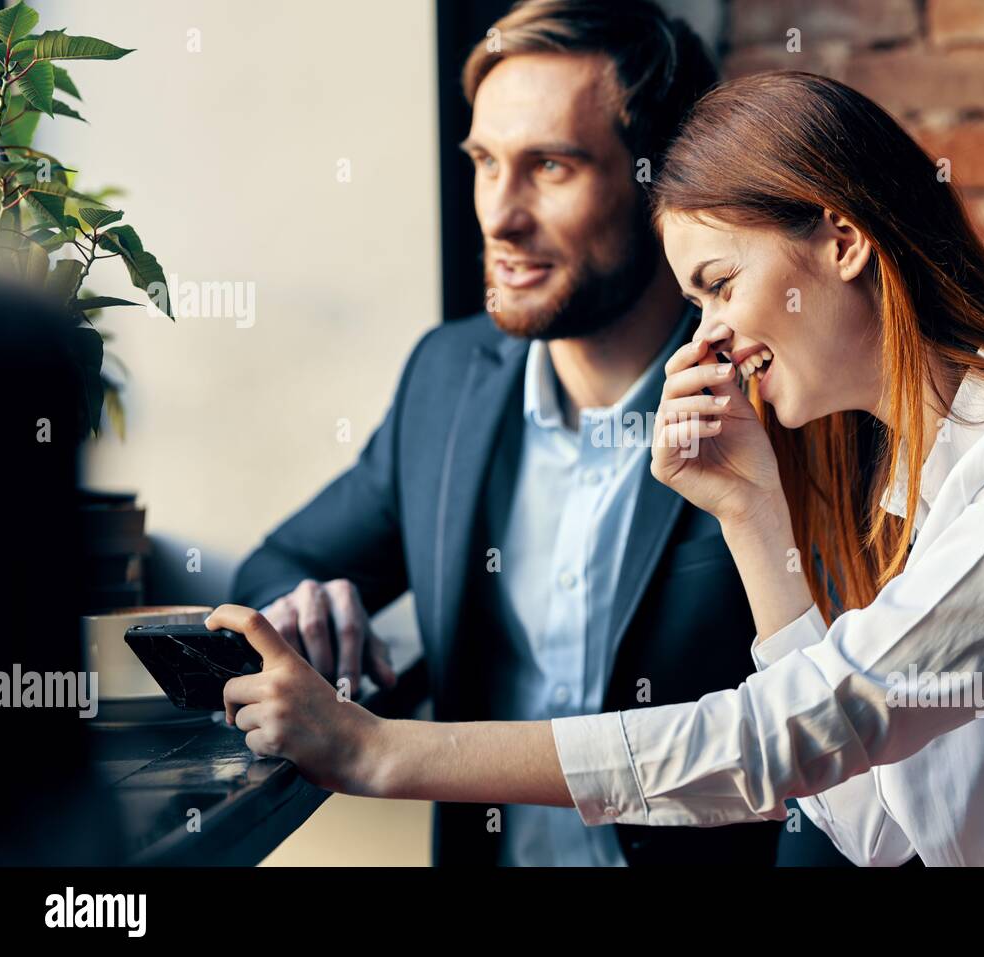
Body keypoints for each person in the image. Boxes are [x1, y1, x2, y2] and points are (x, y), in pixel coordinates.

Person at [212, 70, 984, 866]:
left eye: (721, 284)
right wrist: (748, 510)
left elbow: (804, 731)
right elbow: (863, 819)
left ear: (844, 242)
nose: (712, 337)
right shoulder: (914, 475)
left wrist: (381, 753)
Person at [227, 0, 824, 867]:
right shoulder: (446, 378)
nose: (499, 217)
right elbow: (274, 565)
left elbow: (849, 741)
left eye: (549, 166)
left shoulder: (785, 397)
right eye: (484, 163)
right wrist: (313, 609)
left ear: (666, 185)